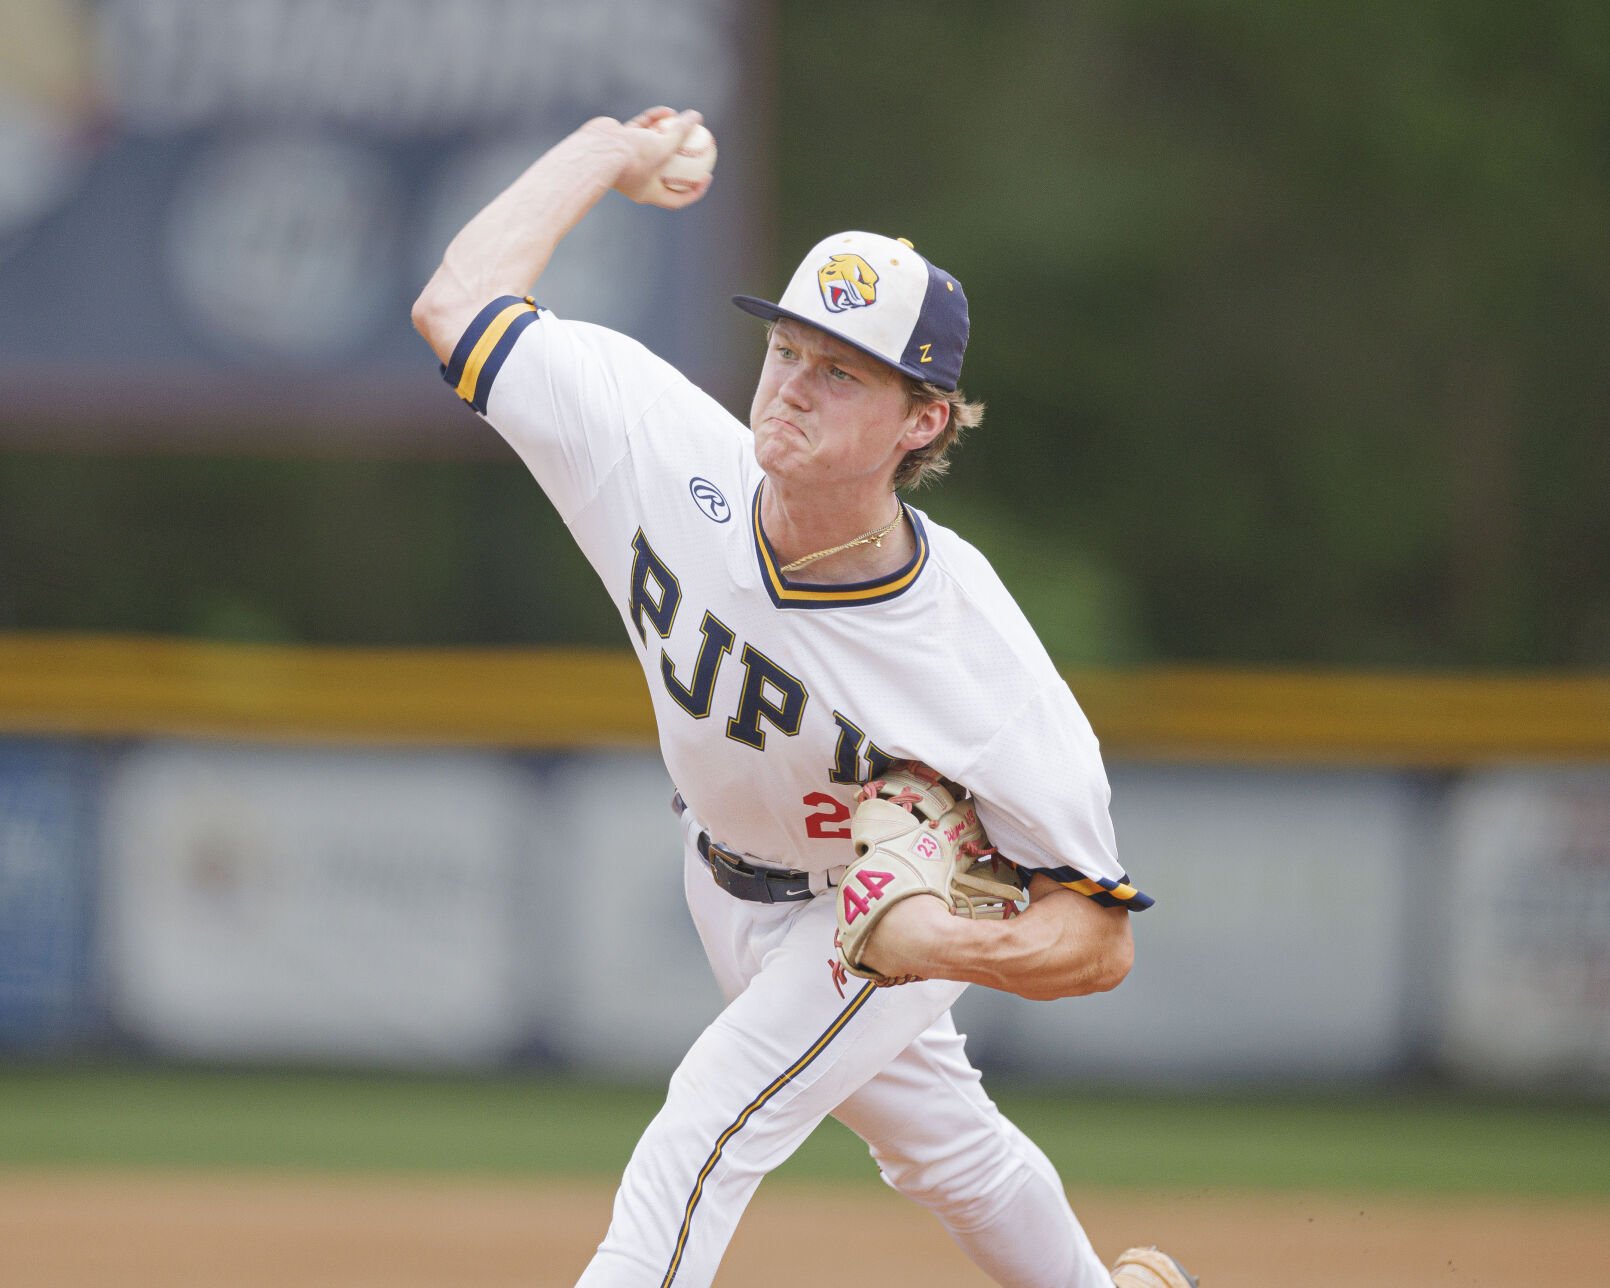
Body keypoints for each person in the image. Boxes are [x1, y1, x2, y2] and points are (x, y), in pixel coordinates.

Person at [413, 106, 1196, 1288]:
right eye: (787, 348)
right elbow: (456, 301)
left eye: (840, 370)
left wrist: (926, 939)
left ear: (920, 421)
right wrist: (605, 150)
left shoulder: (970, 652)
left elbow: (1099, 940)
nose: (792, 383)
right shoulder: (655, 445)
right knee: (947, 1152)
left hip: (862, 914)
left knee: (703, 1128)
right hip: (719, 867)